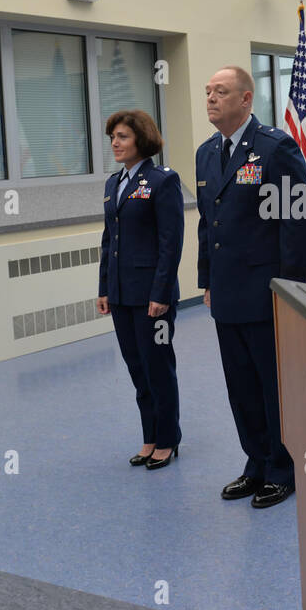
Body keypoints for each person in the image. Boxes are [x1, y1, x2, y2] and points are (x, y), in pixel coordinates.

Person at [195, 66, 306, 509]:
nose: (210, 97)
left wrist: (291, 292)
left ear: (246, 99)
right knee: (240, 385)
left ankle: (283, 468)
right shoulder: (206, 153)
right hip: (226, 292)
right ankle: (256, 462)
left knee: (273, 385)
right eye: (208, 91)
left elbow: (298, 221)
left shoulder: (274, 148)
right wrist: (205, 279)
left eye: (220, 91)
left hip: (267, 292)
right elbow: (208, 225)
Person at [98, 110, 184, 471]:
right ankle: (149, 437)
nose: (115, 144)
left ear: (141, 140)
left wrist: (161, 293)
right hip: (121, 293)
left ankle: (168, 440)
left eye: (122, 137)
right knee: (137, 368)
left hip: (152, 296)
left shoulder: (162, 180)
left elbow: (171, 241)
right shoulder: (112, 183)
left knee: (157, 367)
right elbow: (109, 240)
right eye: (113, 138)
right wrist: (104, 287)